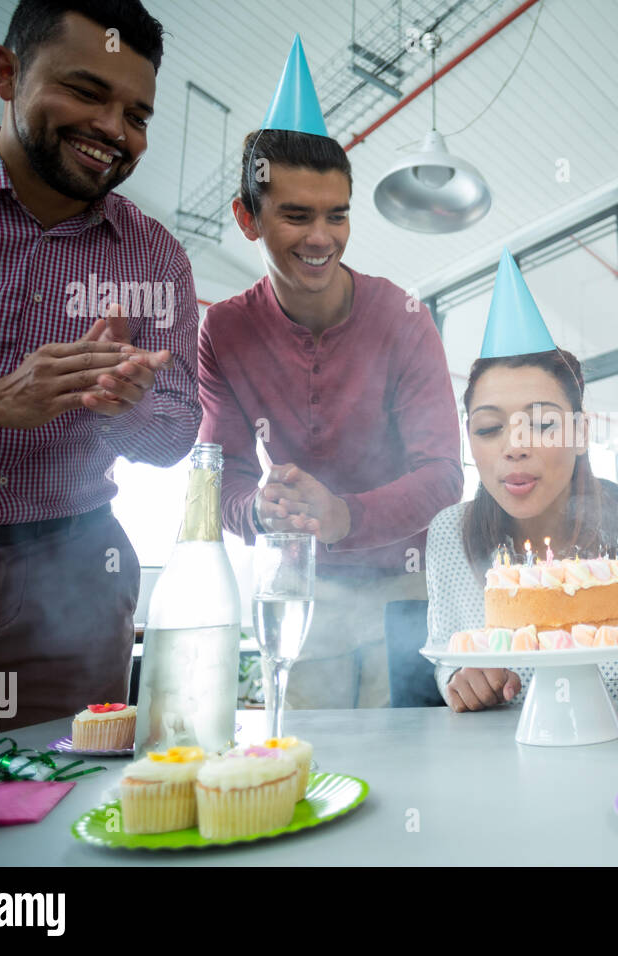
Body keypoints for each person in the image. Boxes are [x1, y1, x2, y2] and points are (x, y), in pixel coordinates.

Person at [0, 0, 200, 748]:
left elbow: (174, 438)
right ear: (6, 72)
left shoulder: (155, 258)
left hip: (79, 571)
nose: (114, 128)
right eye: (85, 91)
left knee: (78, 799)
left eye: (137, 113)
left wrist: (119, 404)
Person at [199, 38, 462, 710]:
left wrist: (346, 515)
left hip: (407, 589)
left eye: (336, 215)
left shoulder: (404, 318)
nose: (322, 237)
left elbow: (442, 476)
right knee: (311, 774)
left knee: (411, 778)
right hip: (299, 594)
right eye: (296, 215)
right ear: (247, 218)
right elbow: (222, 475)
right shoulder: (222, 330)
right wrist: (254, 509)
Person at [425, 252, 618, 713]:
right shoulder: (450, 534)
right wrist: (460, 679)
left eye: (544, 424)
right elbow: (443, 652)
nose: (514, 446)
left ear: (581, 433)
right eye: (489, 429)